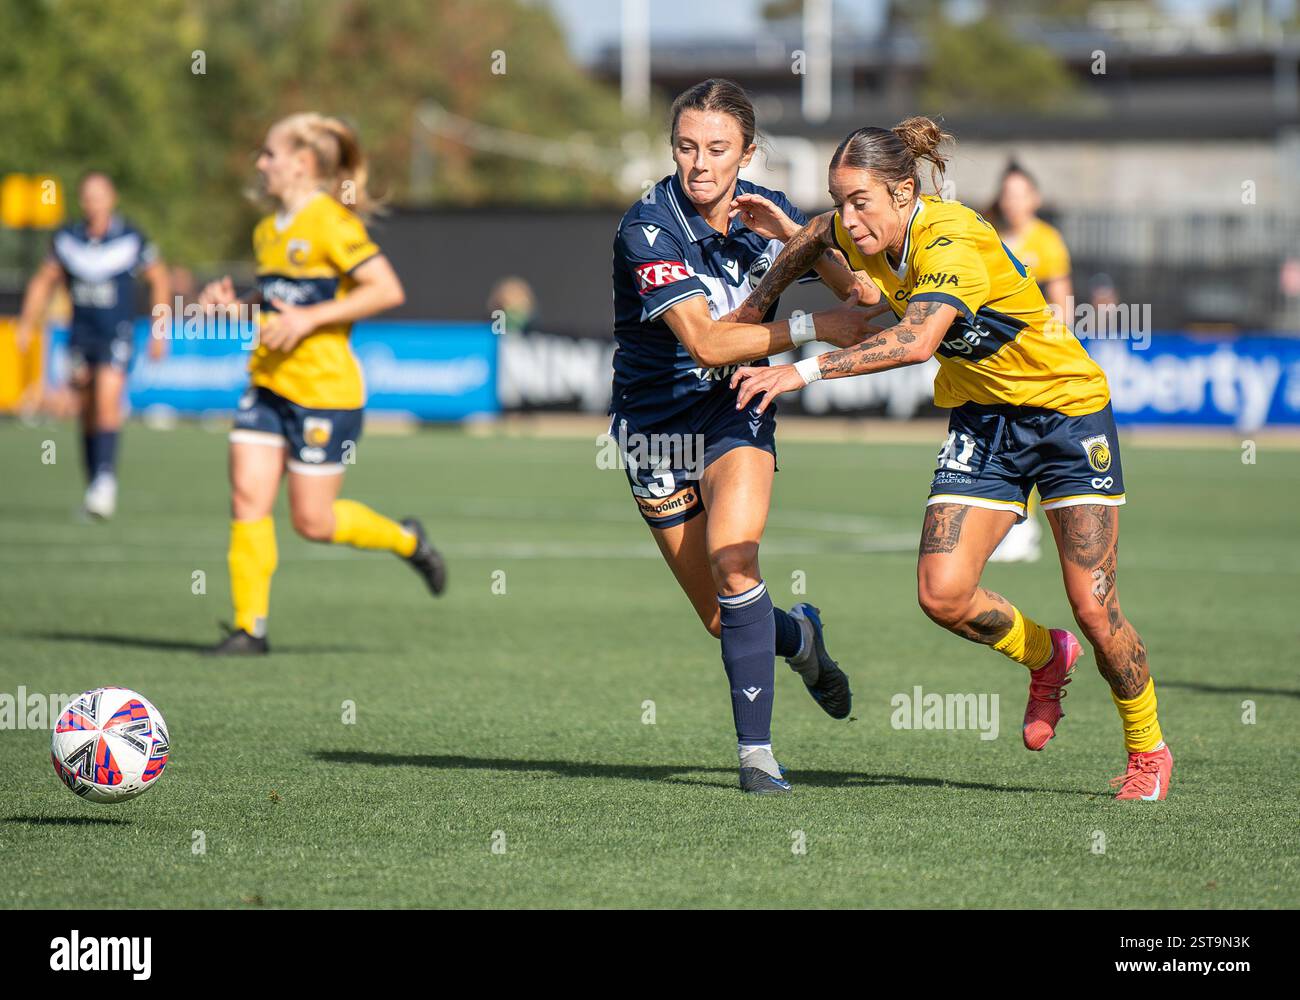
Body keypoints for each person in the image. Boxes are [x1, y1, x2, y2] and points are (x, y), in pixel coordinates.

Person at [730, 118, 1173, 800]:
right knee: (941, 594)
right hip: (984, 421)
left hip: (1065, 414)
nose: (848, 217)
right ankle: (1045, 655)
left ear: (905, 192)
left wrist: (802, 371)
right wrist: (757, 303)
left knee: (1093, 604)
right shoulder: (856, 227)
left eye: (861, 201)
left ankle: (1148, 749)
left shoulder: (954, 237)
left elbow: (913, 341)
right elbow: (817, 235)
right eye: (840, 198)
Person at [609, 79, 883, 795]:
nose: (700, 163)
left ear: (747, 153)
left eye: (718, 149)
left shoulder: (770, 210)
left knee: (736, 567)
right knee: (721, 619)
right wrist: (812, 329)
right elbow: (703, 341)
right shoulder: (648, 228)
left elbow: (867, 299)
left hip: (736, 409)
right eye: (686, 146)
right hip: (655, 435)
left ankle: (756, 756)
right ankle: (801, 639)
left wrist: (793, 239)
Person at [199, 113, 445, 656]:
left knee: (312, 521)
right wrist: (230, 309)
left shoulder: (331, 223)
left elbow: (385, 289)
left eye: (269, 153)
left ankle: (407, 540)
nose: (260, 163)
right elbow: (279, 308)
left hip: (324, 391)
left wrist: (311, 320)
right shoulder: (267, 231)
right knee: (246, 497)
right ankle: (250, 629)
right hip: (267, 382)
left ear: (302, 163)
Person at [15, 172, 170, 518]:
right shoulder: (67, 239)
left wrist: (161, 329)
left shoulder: (131, 237)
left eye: (99, 196)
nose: (93, 203)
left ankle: (105, 480)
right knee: (85, 409)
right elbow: (44, 281)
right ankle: (94, 484)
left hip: (117, 331)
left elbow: (159, 279)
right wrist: (28, 323)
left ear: (112, 198)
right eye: (87, 196)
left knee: (106, 399)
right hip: (80, 335)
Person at [985, 160, 1075, 562]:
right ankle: (1004, 518)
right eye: (1007, 193)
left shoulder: (1046, 240)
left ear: (1034, 199)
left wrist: (1052, 347)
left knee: (1032, 437)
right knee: (996, 437)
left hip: (1035, 358)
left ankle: (1023, 524)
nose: (1013, 201)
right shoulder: (988, 236)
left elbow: (1062, 301)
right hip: (991, 356)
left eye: (1020, 194)